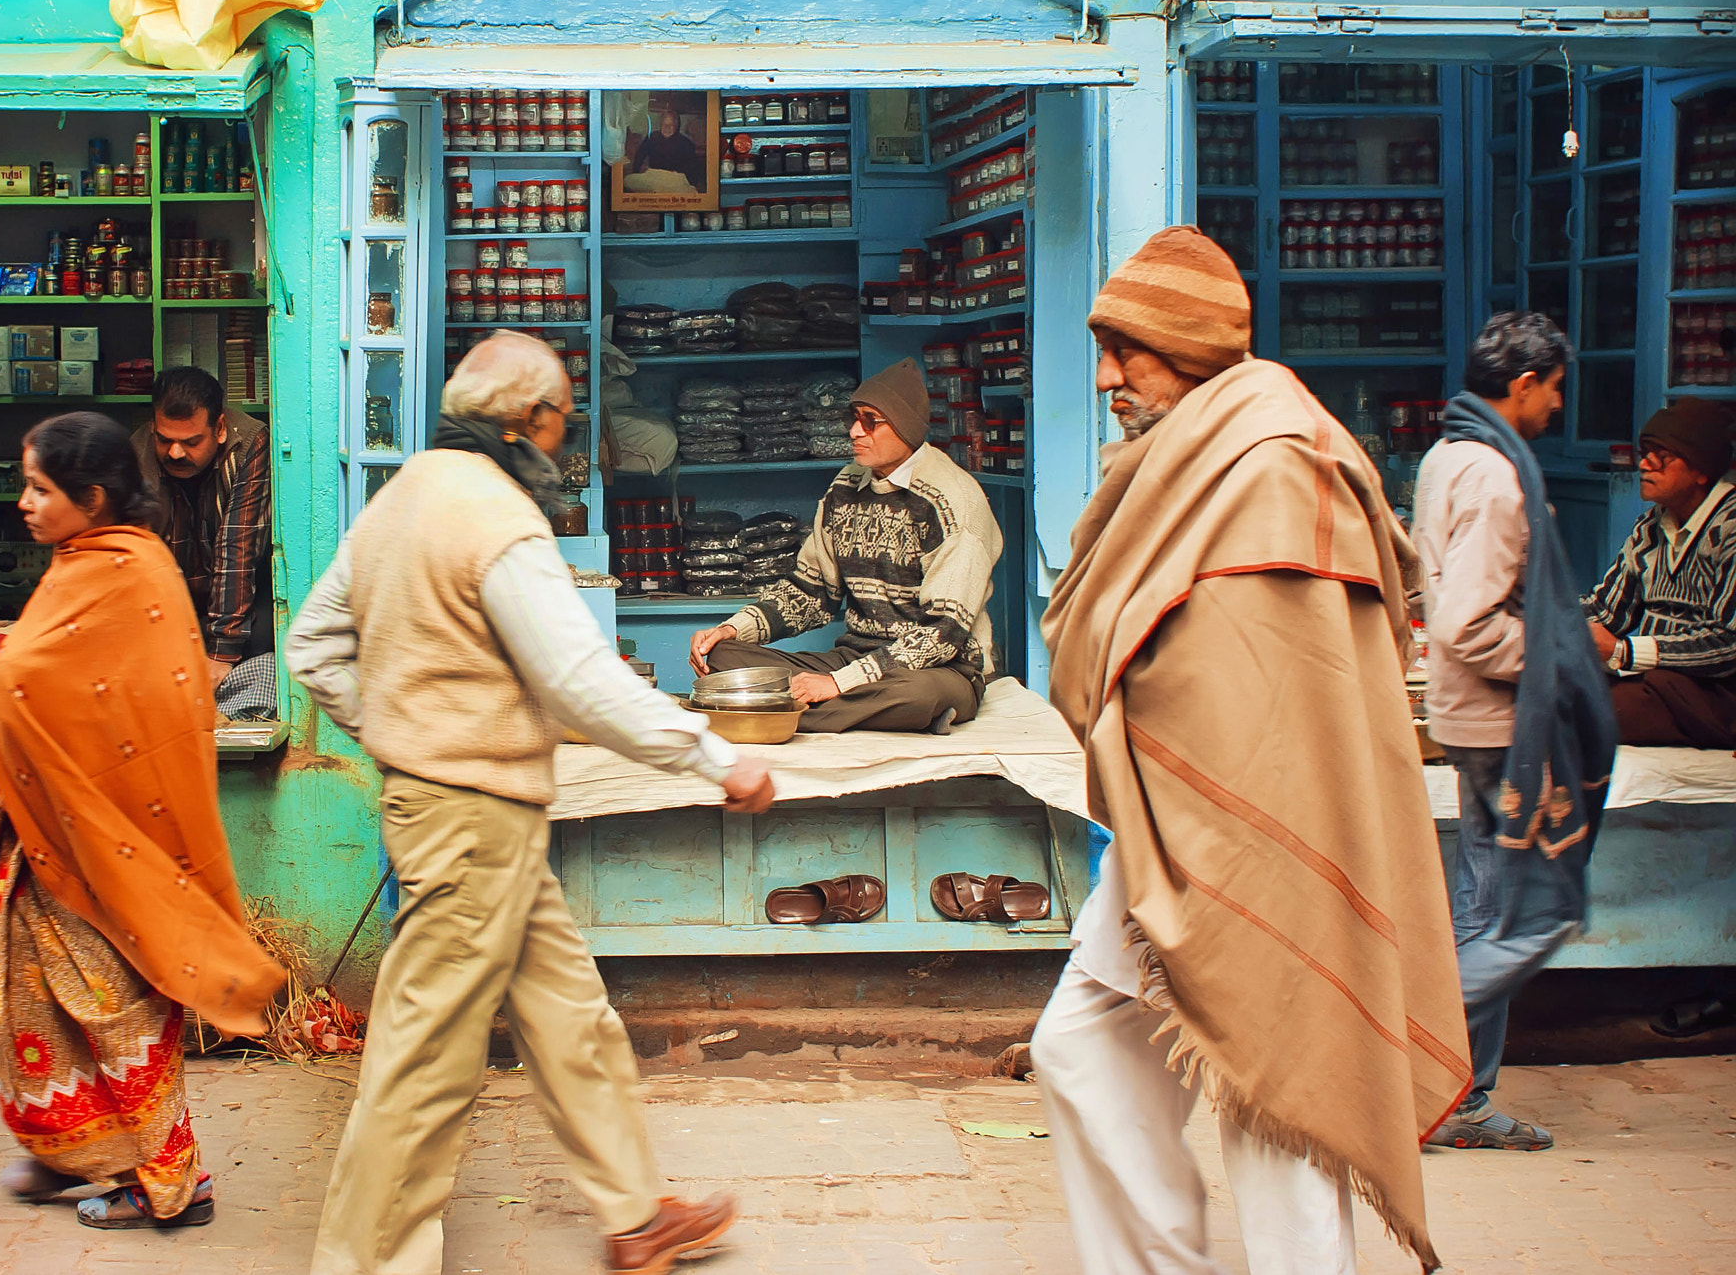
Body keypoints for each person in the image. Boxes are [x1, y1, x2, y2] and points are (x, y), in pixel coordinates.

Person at [287, 331, 773, 1275]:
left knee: (569, 1014)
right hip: (473, 819)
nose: (561, 442)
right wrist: (714, 756)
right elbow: (579, 680)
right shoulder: (497, 519)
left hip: (471, 816)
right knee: (423, 1065)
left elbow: (313, 647)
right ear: (524, 422)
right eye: (556, 421)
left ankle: (635, 1217)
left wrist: (397, 722)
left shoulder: (404, 497)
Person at [1031, 227, 1470, 1273]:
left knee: (1285, 1095)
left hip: (1268, 827)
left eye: (1122, 351)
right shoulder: (1191, 455)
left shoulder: (1272, 462)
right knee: (1080, 1055)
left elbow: (1276, 685)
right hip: (1172, 829)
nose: (1103, 377)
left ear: (1182, 346)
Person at [0, 412, 286, 1231]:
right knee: (18, 981)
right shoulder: (86, 562)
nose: (24, 503)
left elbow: (100, 697)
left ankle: (172, 1180)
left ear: (91, 497)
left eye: (40, 488)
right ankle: (74, 1146)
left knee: (115, 1002)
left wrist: (14, 699)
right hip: (51, 825)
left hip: (110, 838)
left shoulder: (127, 572)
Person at [1414, 312, 1617, 1153]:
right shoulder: (1497, 478)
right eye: (1556, 388)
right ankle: (1438, 1075)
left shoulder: (1445, 455)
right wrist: (1562, 645)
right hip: (1503, 722)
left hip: (1469, 716)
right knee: (1524, 914)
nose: (1558, 405)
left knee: (1483, 900)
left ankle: (1446, 1086)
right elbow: (1466, 622)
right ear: (1524, 383)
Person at [687, 357, 1001, 734]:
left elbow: (943, 634)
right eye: (854, 418)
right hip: (854, 657)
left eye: (871, 421)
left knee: (917, 695)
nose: (854, 431)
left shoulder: (954, 500)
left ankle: (765, 709)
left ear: (904, 425)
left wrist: (839, 683)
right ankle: (831, 708)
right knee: (722, 657)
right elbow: (811, 590)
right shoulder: (847, 486)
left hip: (941, 668)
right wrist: (734, 629)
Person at [1585, 395, 1736, 747]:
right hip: (1657, 684)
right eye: (1644, 452)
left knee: (1587, 713)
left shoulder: (1729, 528)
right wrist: (1544, 618)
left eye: (1662, 456)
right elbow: (1607, 610)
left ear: (1701, 470)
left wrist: (1624, 652)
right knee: (1548, 687)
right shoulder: (1651, 527)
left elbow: (1730, 644)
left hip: (1713, 695)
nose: (1645, 465)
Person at [131, 366, 275, 719]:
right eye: (165, 439)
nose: (176, 453)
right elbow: (135, 561)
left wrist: (221, 655)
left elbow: (237, 548)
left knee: (267, 643)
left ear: (221, 428)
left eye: (192, 442)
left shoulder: (250, 444)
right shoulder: (136, 454)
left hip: (241, 602)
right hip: (171, 604)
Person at [630, 108, 702, 185]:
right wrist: (635, 172)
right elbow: (640, 155)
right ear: (660, 125)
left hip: (675, 180)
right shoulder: (652, 137)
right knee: (628, 181)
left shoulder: (686, 143)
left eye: (671, 125)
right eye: (664, 124)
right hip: (655, 178)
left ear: (676, 126)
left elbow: (692, 169)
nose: (667, 128)